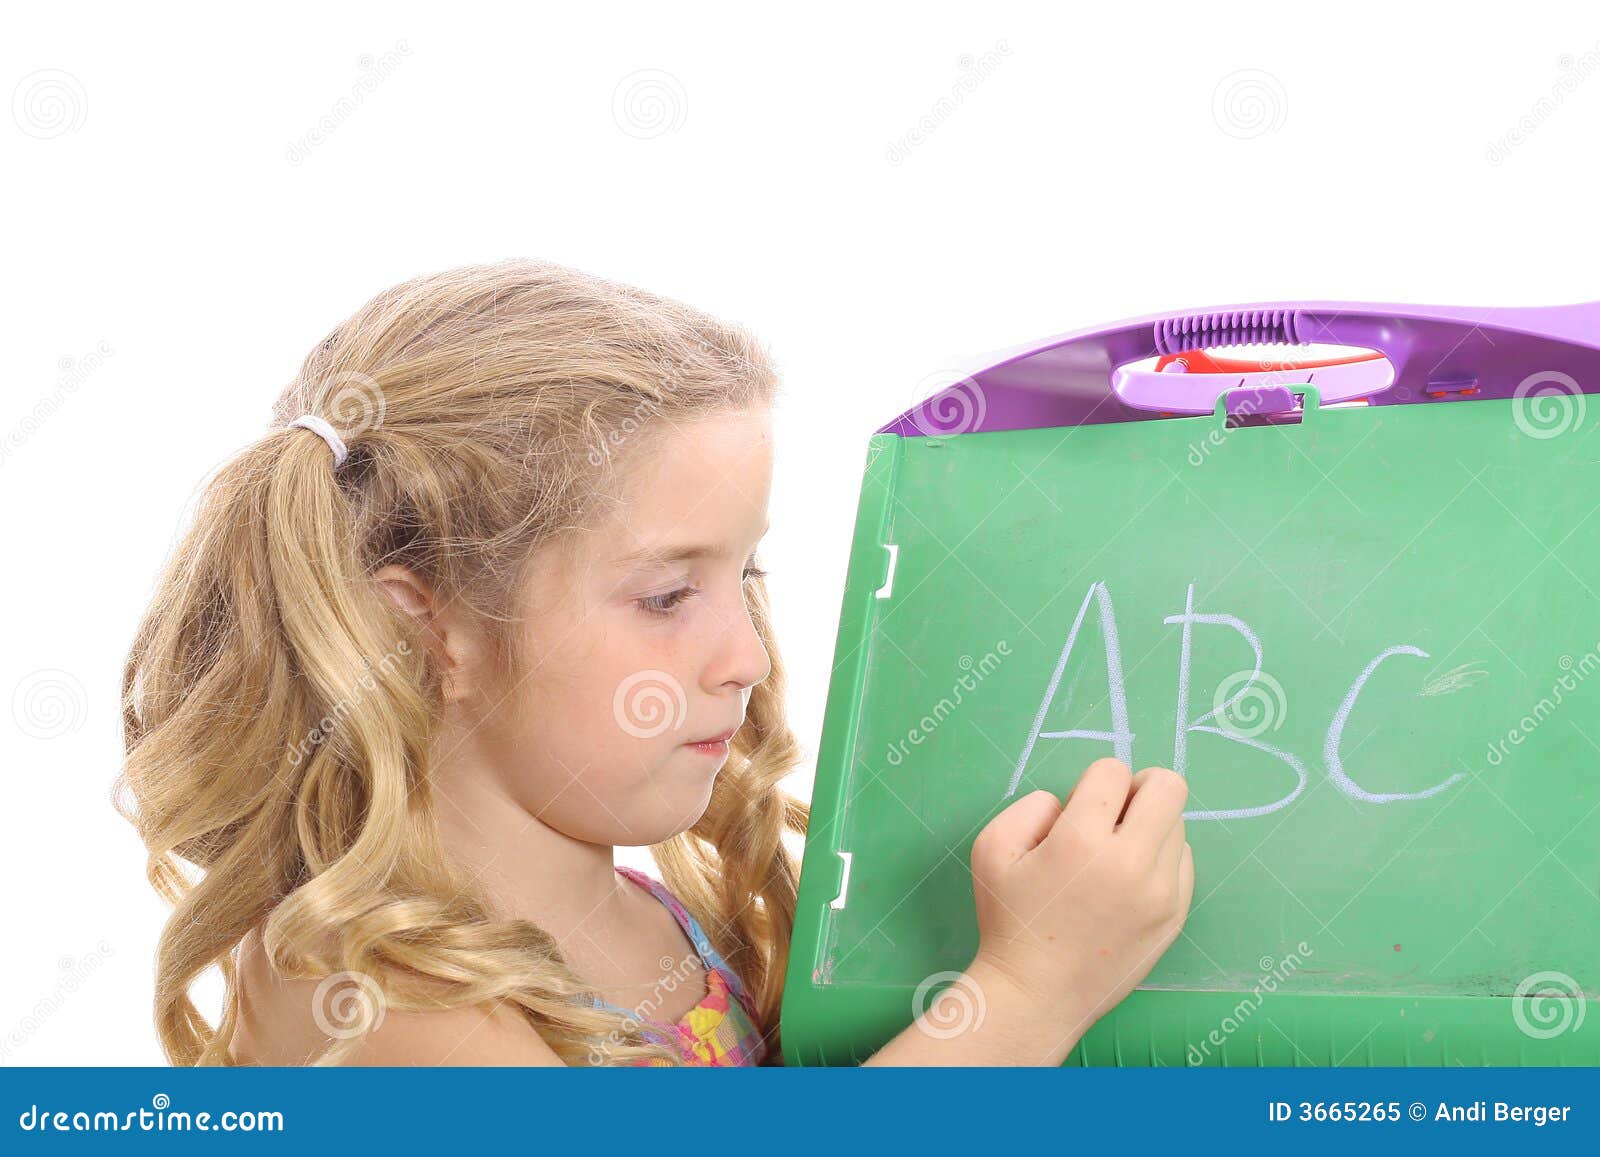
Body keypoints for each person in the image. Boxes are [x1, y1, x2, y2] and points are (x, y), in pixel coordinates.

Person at [116, 259, 1193, 1066]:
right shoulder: (375, 988)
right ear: (426, 631)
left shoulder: (660, 920)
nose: (746, 655)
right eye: (668, 594)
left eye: (748, 575)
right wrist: (1028, 989)